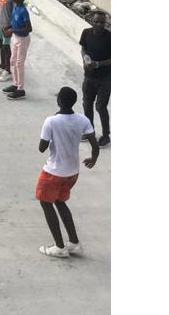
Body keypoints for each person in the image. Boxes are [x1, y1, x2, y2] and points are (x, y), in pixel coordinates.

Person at [37, 87, 100, 257]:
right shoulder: (83, 120)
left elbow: (41, 148)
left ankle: (59, 247)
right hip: (72, 172)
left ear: (59, 102)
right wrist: (93, 159)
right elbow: (94, 144)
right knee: (59, 201)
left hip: (54, 171)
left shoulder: (51, 121)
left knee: (45, 202)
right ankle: (73, 242)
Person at [79, 11, 111, 146]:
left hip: (105, 78)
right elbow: (83, 49)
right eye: (97, 21)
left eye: (102, 22)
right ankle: (89, 131)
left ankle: (105, 135)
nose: (99, 24)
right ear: (91, 21)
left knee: (100, 106)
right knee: (87, 104)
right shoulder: (86, 33)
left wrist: (97, 64)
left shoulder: (110, 37)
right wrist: (85, 60)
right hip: (89, 77)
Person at [4, 0, 33, 100]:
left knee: (19, 63)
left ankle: (21, 89)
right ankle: (15, 84)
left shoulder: (23, 11)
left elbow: (28, 29)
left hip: (23, 39)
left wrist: (12, 31)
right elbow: (14, 23)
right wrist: (9, 28)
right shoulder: (15, 7)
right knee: (13, 61)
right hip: (16, 38)